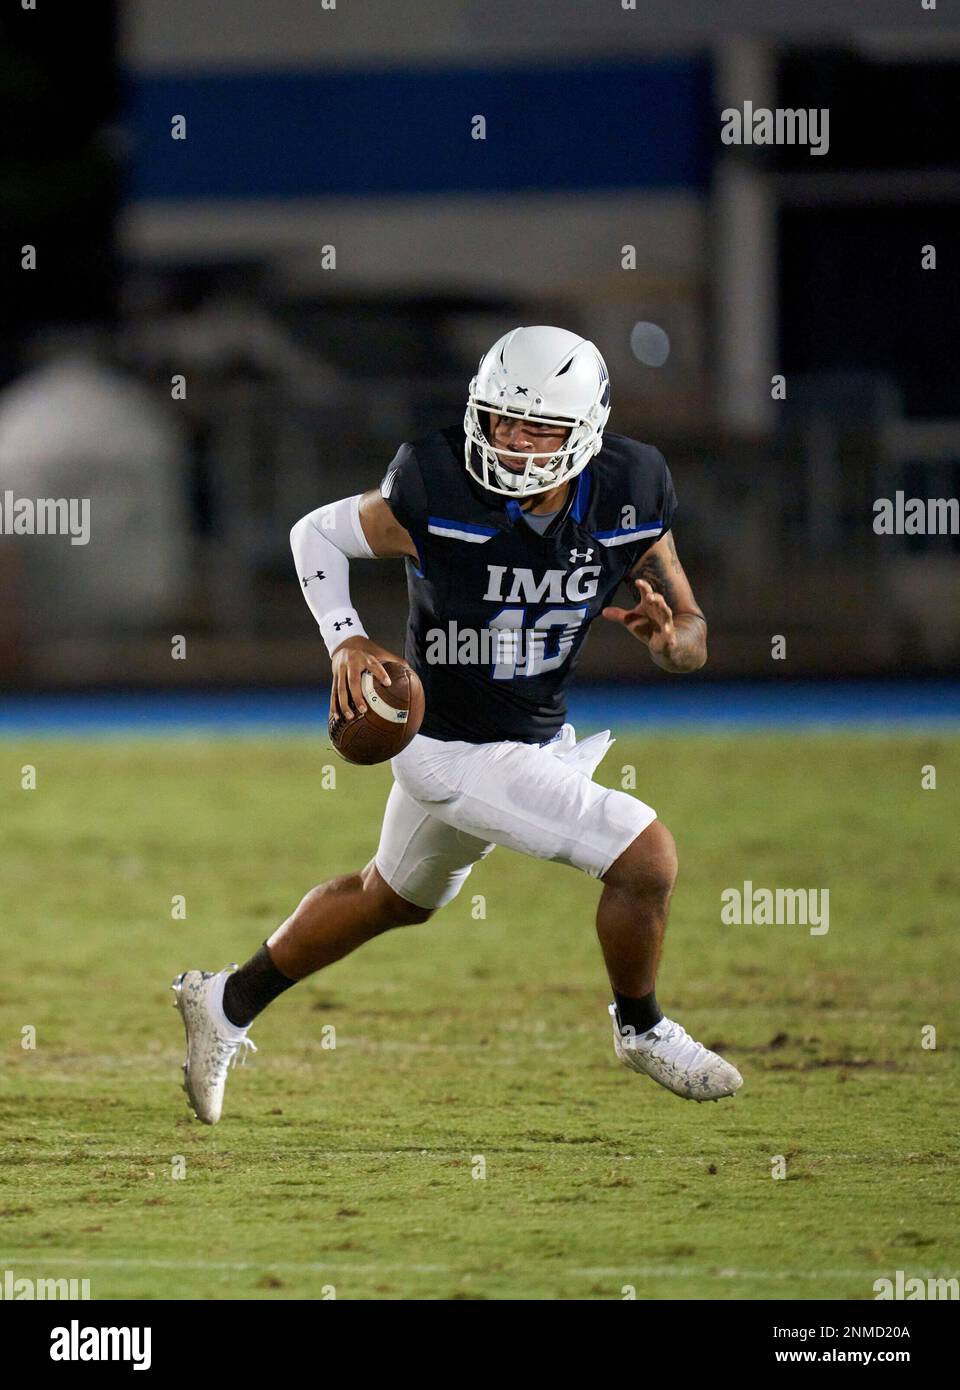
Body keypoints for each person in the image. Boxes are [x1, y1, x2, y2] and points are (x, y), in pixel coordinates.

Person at [172, 325, 742, 1123]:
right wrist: (347, 640)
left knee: (390, 898)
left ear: (585, 432)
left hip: (537, 735)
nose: (511, 441)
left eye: (535, 425)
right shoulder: (435, 480)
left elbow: (692, 636)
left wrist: (671, 640)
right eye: (501, 419)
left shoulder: (634, 489)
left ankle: (224, 1001)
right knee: (645, 858)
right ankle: (641, 1027)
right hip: (441, 745)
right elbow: (316, 536)